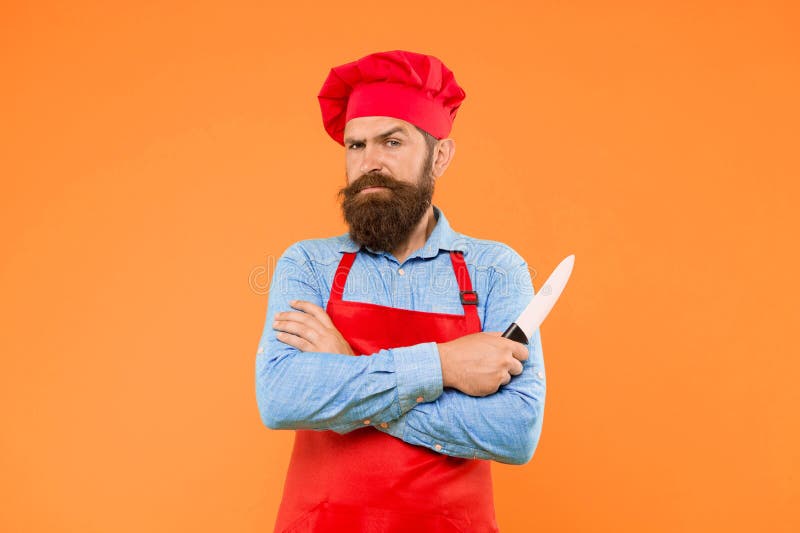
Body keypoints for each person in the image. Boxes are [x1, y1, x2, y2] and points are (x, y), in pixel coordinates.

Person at [255, 50, 546, 533]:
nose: (370, 162)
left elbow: (516, 430)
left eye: (392, 141)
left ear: (440, 156)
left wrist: (348, 375)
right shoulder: (308, 264)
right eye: (356, 145)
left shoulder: (496, 270)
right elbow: (282, 397)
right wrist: (444, 366)